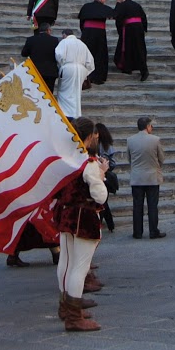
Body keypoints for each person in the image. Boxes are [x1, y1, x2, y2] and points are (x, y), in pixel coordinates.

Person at [54, 118, 109, 331]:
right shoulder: (89, 163)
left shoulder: (64, 158)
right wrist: (102, 174)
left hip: (65, 212)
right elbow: (100, 196)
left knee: (66, 262)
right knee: (80, 266)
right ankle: (74, 317)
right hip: (83, 215)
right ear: (87, 138)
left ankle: (66, 306)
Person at [127, 117, 166, 239]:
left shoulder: (130, 140)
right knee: (152, 205)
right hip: (152, 177)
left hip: (137, 177)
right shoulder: (155, 140)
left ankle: (137, 232)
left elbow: (129, 159)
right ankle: (153, 231)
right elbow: (162, 158)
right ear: (148, 126)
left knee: (137, 205)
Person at [55, 30, 95, 118]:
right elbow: (90, 61)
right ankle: (76, 114)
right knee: (76, 92)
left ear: (64, 35)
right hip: (81, 69)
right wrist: (85, 72)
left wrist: (61, 66)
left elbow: (59, 55)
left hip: (68, 68)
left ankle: (65, 114)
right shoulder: (82, 44)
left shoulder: (64, 42)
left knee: (64, 92)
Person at [110, 0, 149, 80]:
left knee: (127, 48)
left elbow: (116, 15)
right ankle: (144, 70)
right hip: (138, 28)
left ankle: (128, 68)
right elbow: (143, 17)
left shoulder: (122, 5)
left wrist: (118, 3)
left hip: (129, 29)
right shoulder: (136, 5)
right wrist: (144, 28)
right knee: (139, 48)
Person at [77, 0, 113, 86]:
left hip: (87, 33)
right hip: (99, 34)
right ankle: (98, 77)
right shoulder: (105, 8)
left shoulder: (86, 7)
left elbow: (81, 21)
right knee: (99, 54)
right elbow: (114, 14)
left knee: (86, 54)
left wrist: (84, 31)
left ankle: (85, 77)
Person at [21, 20, 60, 89]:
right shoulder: (54, 40)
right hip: (50, 71)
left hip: (35, 71)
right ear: (48, 30)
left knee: (35, 92)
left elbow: (24, 53)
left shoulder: (31, 39)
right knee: (48, 94)